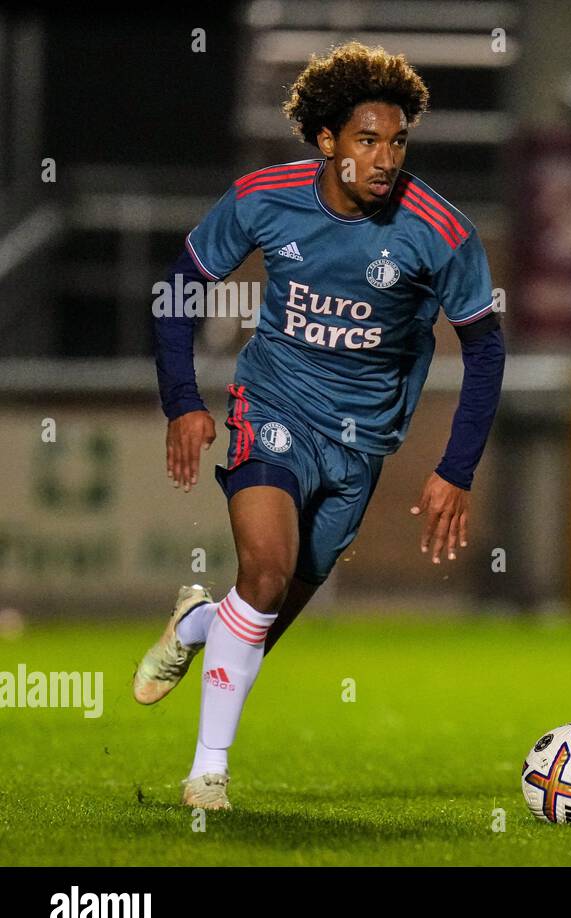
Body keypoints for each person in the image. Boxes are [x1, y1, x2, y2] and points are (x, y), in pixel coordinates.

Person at [134, 41, 505, 811]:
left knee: (262, 616)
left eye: (397, 141)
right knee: (265, 574)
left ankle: (200, 623)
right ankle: (208, 773)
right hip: (271, 408)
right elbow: (179, 288)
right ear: (327, 140)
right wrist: (182, 401)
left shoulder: (439, 231)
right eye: (367, 139)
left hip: (361, 447)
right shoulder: (264, 198)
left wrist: (456, 467)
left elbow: (486, 347)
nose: (385, 157)